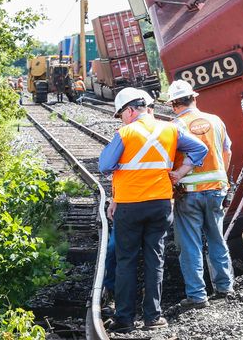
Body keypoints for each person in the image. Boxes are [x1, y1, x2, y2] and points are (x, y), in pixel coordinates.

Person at [98, 88, 208, 334]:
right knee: (154, 259)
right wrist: (179, 173)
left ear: (130, 111)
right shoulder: (170, 128)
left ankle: (124, 319)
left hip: (130, 205)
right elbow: (200, 149)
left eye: (121, 115)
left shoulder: (125, 133)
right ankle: (152, 317)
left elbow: (105, 165)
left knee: (126, 260)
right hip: (160, 204)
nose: (121, 119)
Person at [166, 80, 235, 310]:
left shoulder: (174, 126)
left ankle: (197, 296)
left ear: (174, 104)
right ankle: (224, 287)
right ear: (194, 98)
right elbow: (227, 151)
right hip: (216, 189)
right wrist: (222, 178)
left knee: (190, 244)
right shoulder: (216, 120)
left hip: (188, 193)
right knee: (217, 238)